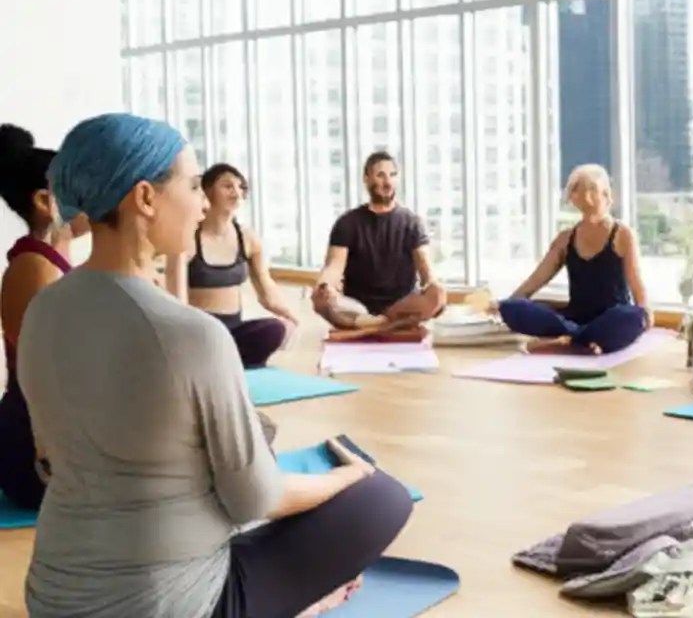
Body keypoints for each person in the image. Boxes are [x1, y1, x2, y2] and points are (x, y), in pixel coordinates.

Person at [23, 112, 411, 618]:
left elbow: (50, 460)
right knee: (385, 497)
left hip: (53, 595)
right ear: (145, 198)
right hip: (167, 605)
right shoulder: (188, 334)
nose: (203, 201)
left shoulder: (44, 309)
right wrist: (351, 477)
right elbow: (256, 500)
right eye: (192, 184)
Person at [0, 124, 89, 511]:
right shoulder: (34, 268)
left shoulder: (53, 259)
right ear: (44, 200)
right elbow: (42, 374)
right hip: (34, 453)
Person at [496, 164, 650, 354]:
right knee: (513, 308)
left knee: (631, 316)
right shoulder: (565, 238)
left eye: (593, 189)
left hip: (610, 319)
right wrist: (505, 304)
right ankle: (582, 338)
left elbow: (637, 284)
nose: (587, 196)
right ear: (573, 197)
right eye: (580, 190)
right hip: (573, 319)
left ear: (607, 194)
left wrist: (644, 314)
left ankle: (573, 339)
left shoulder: (623, 234)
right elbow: (536, 280)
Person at [165, 163, 299, 368]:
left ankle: (222, 362)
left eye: (241, 187)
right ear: (206, 192)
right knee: (211, 340)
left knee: (274, 329)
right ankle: (219, 361)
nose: (236, 193)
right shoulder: (187, 239)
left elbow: (266, 289)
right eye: (227, 186)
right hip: (201, 330)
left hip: (234, 330)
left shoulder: (248, 238)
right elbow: (177, 299)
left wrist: (289, 317)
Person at [312, 151, 446, 331]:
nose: (388, 182)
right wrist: (325, 286)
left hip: (402, 306)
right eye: (380, 175)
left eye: (392, 175)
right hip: (357, 306)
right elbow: (334, 267)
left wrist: (433, 287)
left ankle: (374, 323)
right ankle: (384, 324)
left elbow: (426, 271)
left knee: (437, 295)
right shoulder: (348, 222)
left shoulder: (412, 223)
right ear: (366, 178)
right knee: (322, 300)